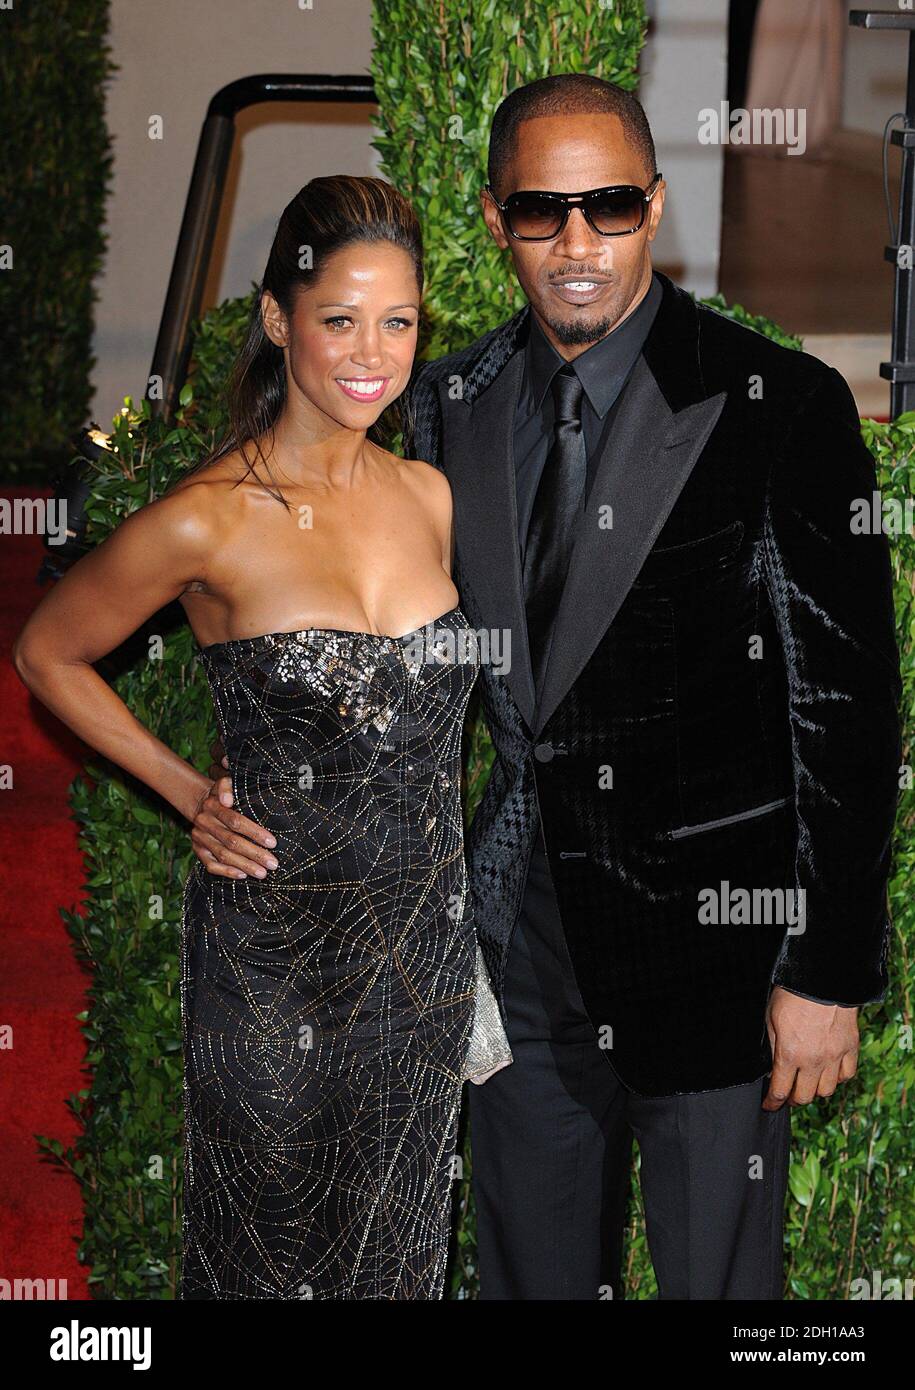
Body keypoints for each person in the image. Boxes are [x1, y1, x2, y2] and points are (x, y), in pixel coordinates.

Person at [190, 78, 902, 1300]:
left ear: (656, 206)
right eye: (542, 210)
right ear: (495, 217)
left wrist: (825, 971)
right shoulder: (444, 407)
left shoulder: (779, 407)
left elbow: (844, 711)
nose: (578, 245)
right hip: (511, 952)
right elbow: (342, 608)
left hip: (709, 965)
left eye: (611, 206)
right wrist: (246, 774)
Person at [13, 174, 510, 1301]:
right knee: (266, 1267)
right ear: (281, 320)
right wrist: (187, 791)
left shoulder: (427, 493)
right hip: (274, 966)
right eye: (340, 319)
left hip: (419, 967)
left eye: (399, 321)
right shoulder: (209, 515)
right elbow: (47, 648)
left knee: (396, 1265)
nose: (372, 352)